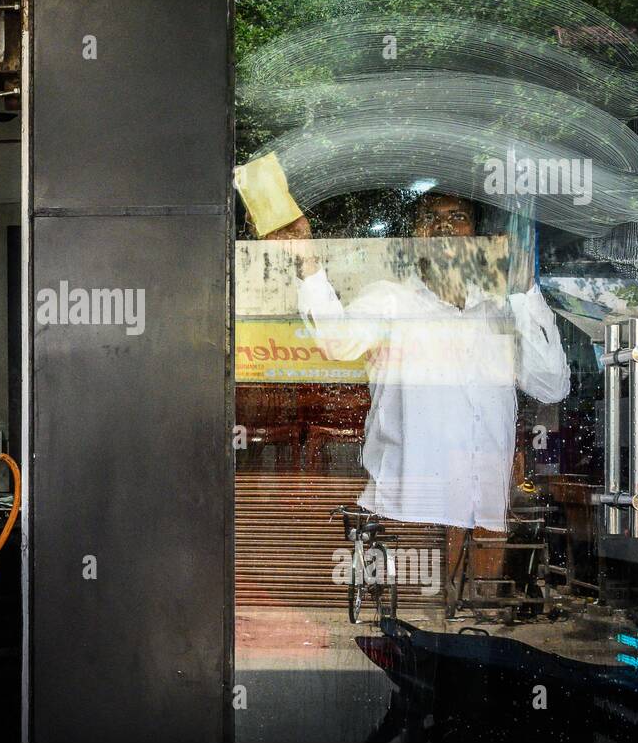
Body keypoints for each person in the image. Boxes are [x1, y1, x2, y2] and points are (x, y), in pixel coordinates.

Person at [236, 154, 570, 532]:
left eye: (457, 217)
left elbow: (551, 386)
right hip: (406, 516)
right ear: (414, 236)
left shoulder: (499, 313)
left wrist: (525, 292)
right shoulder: (392, 301)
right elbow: (337, 341)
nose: (443, 226)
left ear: (477, 234)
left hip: (485, 520)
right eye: (429, 218)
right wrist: (307, 261)